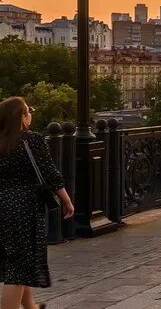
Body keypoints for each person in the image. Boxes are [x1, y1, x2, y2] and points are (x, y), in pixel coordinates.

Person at [0, 97, 74, 309]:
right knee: (19, 266)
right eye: (28, 111)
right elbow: (50, 174)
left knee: (17, 259)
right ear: (20, 117)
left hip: (1, 206)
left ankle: (31, 307)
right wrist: (66, 199)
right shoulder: (31, 140)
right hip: (24, 207)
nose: (31, 114)